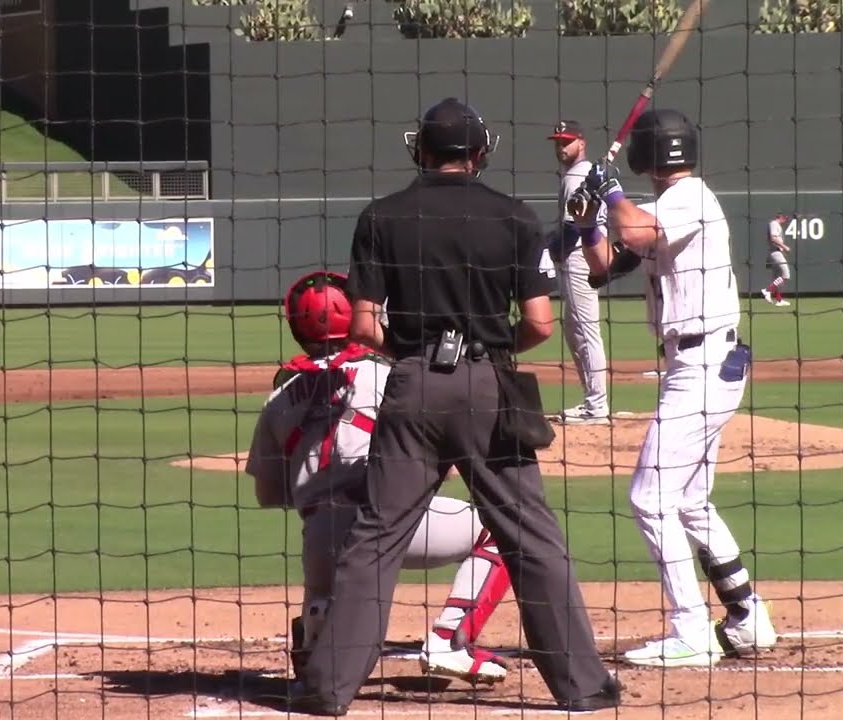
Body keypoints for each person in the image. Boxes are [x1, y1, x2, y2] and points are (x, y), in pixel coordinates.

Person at [294, 97, 620, 716]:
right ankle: (583, 687)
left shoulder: (380, 217)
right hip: (488, 388)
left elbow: (363, 329)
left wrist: (412, 354)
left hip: (412, 388)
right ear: (479, 152)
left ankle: (326, 688)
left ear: (421, 151)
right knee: (532, 539)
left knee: (375, 539)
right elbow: (542, 325)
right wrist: (491, 349)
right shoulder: (516, 217)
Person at [568, 107, 778, 667]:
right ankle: (747, 616)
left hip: (703, 362)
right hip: (700, 364)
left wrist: (609, 192)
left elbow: (635, 230)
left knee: (649, 497)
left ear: (644, 157)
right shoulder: (667, 205)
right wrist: (587, 221)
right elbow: (603, 266)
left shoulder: (689, 198)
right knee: (687, 500)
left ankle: (690, 629)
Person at [244, 270, 513, 687]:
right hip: (388, 523)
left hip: (319, 538)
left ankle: (318, 628)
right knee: (502, 531)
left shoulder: (279, 397)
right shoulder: (389, 375)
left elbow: (270, 494)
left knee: (323, 667)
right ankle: (449, 641)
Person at [546, 120, 612, 425]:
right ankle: (591, 400)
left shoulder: (578, 176)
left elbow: (573, 227)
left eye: (567, 141)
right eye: (558, 142)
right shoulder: (583, 175)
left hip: (580, 257)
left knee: (586, 329)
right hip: (582, 255)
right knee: (575, 330)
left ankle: (597, 405)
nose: (561, 147)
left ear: (581, 142)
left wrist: (550, 252)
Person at [762, 213, 793, 307]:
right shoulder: (774, 223)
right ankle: (767, 290)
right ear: (780, 217)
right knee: (785, 275)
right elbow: (773, 238)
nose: (786, 220)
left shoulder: (776, 224)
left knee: (777, 278)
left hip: (775, 252)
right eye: (785, 217)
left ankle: (779, 300)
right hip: (776, 253)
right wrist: (785, 247)